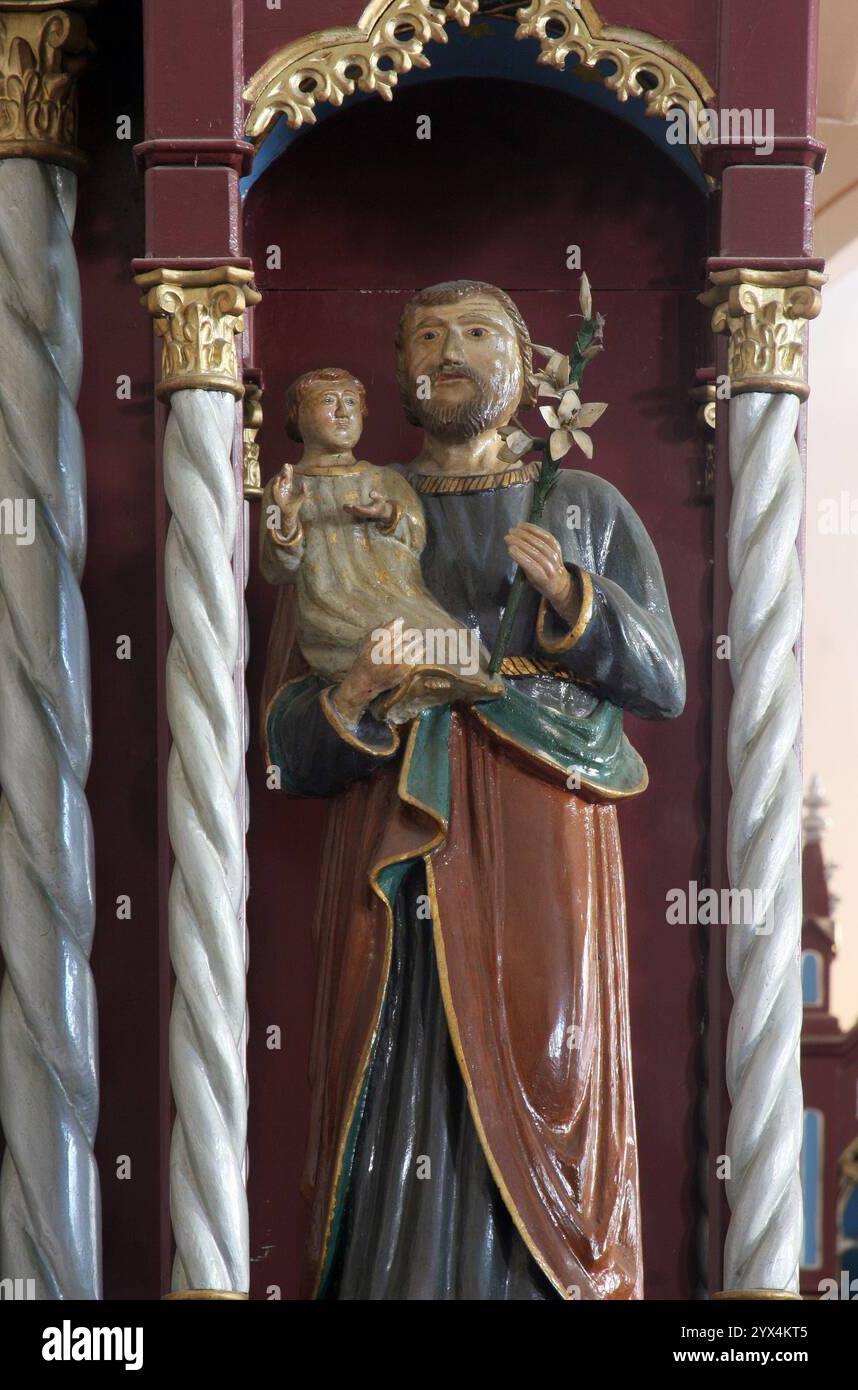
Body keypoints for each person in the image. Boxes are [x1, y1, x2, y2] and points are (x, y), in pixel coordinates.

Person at [261, 282, 685, 1300]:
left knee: (546, 1064)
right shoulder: (353, 507)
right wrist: (356, 693)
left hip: (540, 842)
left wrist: (570, 598)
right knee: (394, 1074)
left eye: (477, 333)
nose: (449, 352)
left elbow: (665, 679)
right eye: (427, 336)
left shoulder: (581, 507)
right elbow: (282, 746)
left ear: (528, 363)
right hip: (393, 840)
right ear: (399, 369)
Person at [260, 367, 501, 724]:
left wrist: (389, 515)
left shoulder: (385, 479)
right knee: (385, 648)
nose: (343, 412)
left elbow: (416, 538)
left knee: (460, 646)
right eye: (328, 401)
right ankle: (404, 693)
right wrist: (287, 521)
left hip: (399, 597)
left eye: (351, 403)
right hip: (333, 603)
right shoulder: (284, 487)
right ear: (298, 416)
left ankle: (430, 688)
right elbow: (276, 568)